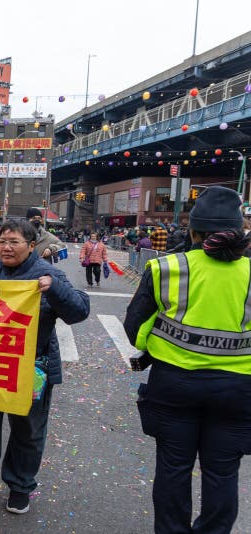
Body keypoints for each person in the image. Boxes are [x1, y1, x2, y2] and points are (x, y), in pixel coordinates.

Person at [123, 186, 251, 533]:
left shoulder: (166, 268)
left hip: (174, 385)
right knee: (223, 473)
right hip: (238, 390)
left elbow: (134, 329)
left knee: (173, 469)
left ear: (192, 231)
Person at [0, 219, 90, 515]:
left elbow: (79, 310)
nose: (6, 247)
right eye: (2, 241)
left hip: (32, 368)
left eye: (14, 242)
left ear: (31, 246)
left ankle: (20, 485)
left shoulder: (48, 274)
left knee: (28, 430)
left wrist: (54, 290)